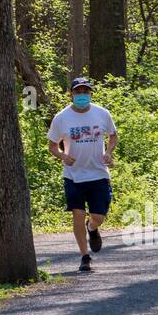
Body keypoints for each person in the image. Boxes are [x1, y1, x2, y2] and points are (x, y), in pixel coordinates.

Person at [47, 77, 118, 274]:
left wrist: (109, 152)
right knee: (77, 214)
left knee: (98, 216)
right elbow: (52, 145)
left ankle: (93, 228)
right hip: (73, 175)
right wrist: (62, 155)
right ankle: (84, 257)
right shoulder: (61, 118)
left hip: (98, 173)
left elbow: (113, 135)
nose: (82, 95)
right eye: (78, 92)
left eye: (86, 91)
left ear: (90, 93)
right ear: (71, 94)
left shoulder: (102, 114)